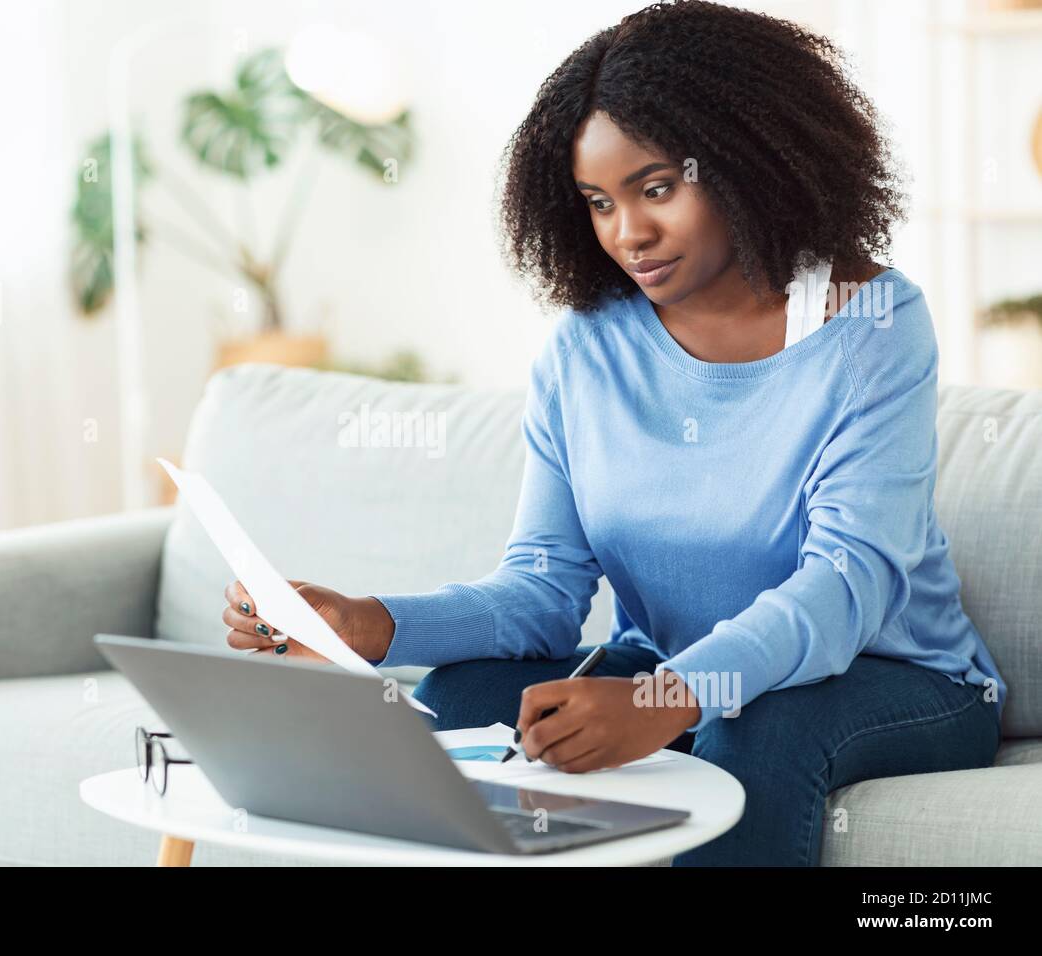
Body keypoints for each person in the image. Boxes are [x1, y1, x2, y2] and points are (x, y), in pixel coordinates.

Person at [219, 0, 1006, 866]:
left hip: (895, 679)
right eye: (599, 201)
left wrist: (673, 696)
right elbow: (543, 589)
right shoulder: (586, 349)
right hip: (668, 673)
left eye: (657, 188)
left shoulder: (874, 326)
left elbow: (845, 587)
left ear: (750, 160)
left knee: (757, 732)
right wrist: (369, 625)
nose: (628, 234)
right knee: (460, 695)